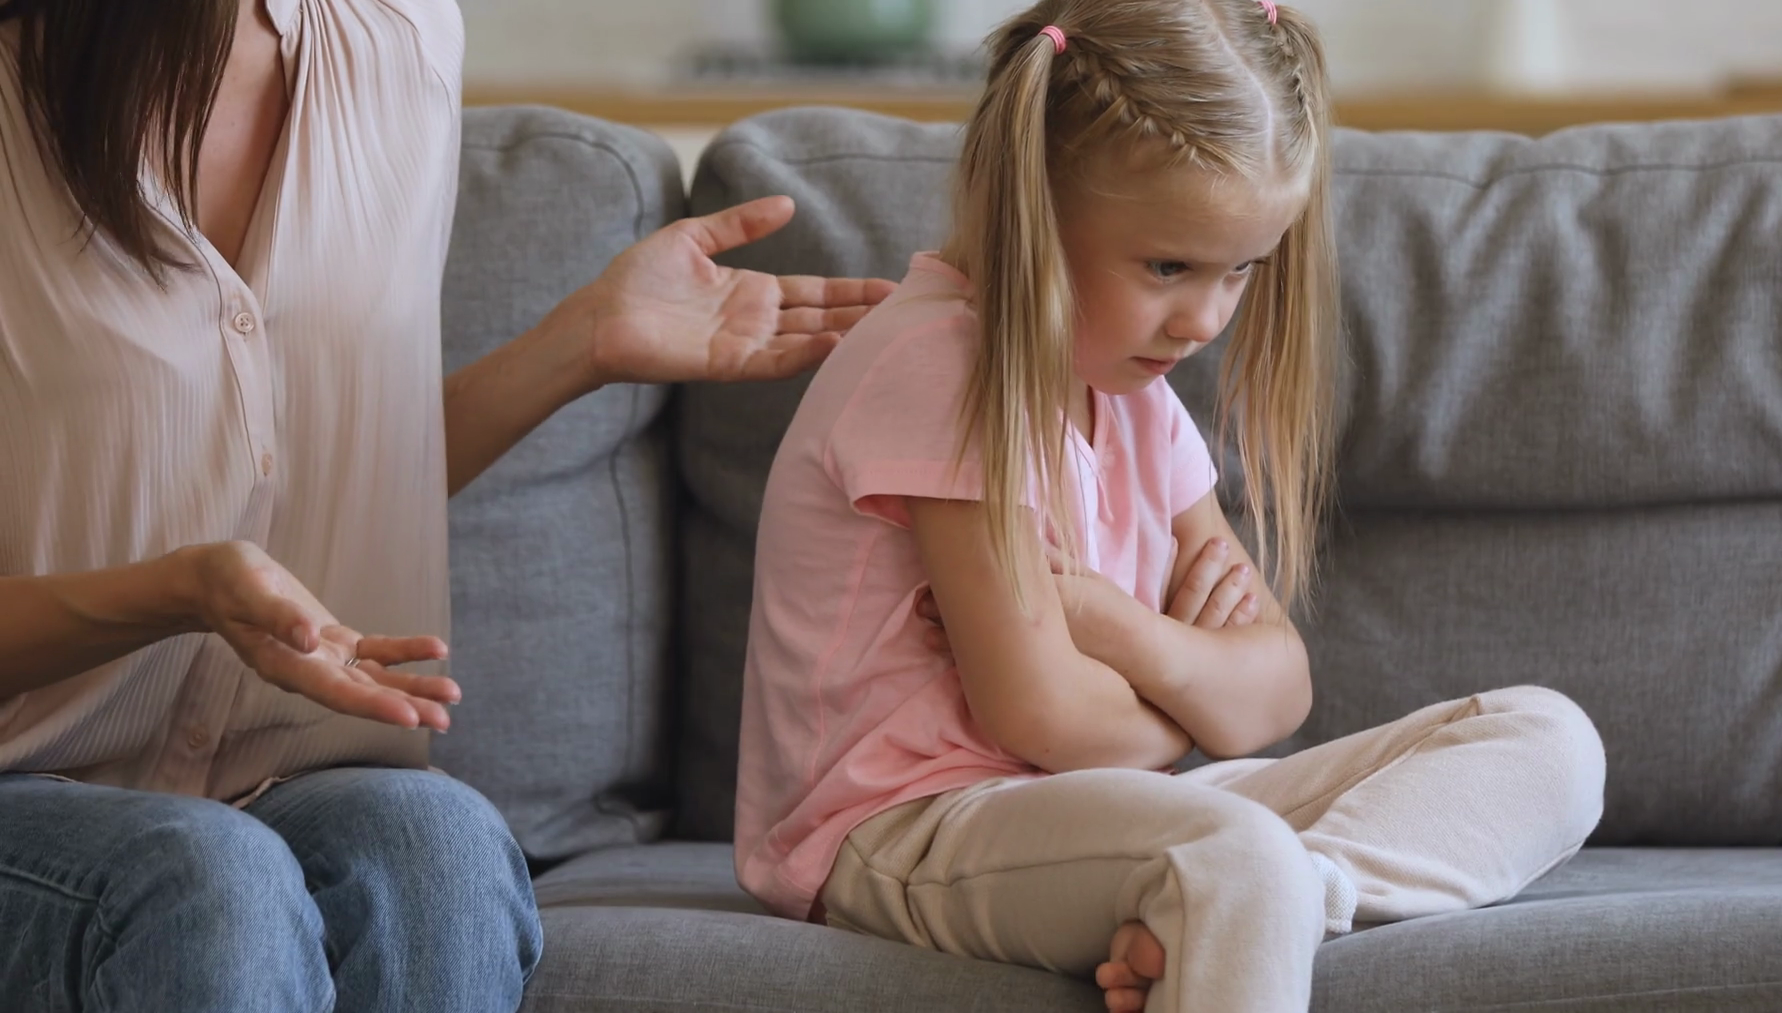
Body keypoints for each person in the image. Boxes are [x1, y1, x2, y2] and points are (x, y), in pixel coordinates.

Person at [0, 0, 893, 1010]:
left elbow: (347, 473)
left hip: (282, 772)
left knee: (438, 848)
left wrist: (582, 344)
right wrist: (175, 589)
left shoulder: (400, 40)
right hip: (32, 786)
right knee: (206, 880)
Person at [732, 1, 1608, 1010]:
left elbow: (1276, 692)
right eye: (1167, 267)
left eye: (1241, 270)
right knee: (1234, 851)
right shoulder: (943, 364)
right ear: (1032, 210)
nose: (1204, 319)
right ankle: (1247, 889)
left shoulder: (1135, 400)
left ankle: (1299, 891)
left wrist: (1119, 630)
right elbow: (1047, 717)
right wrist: (1189, 707)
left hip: (1118, 813)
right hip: (907, 825)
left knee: (1549, 740)